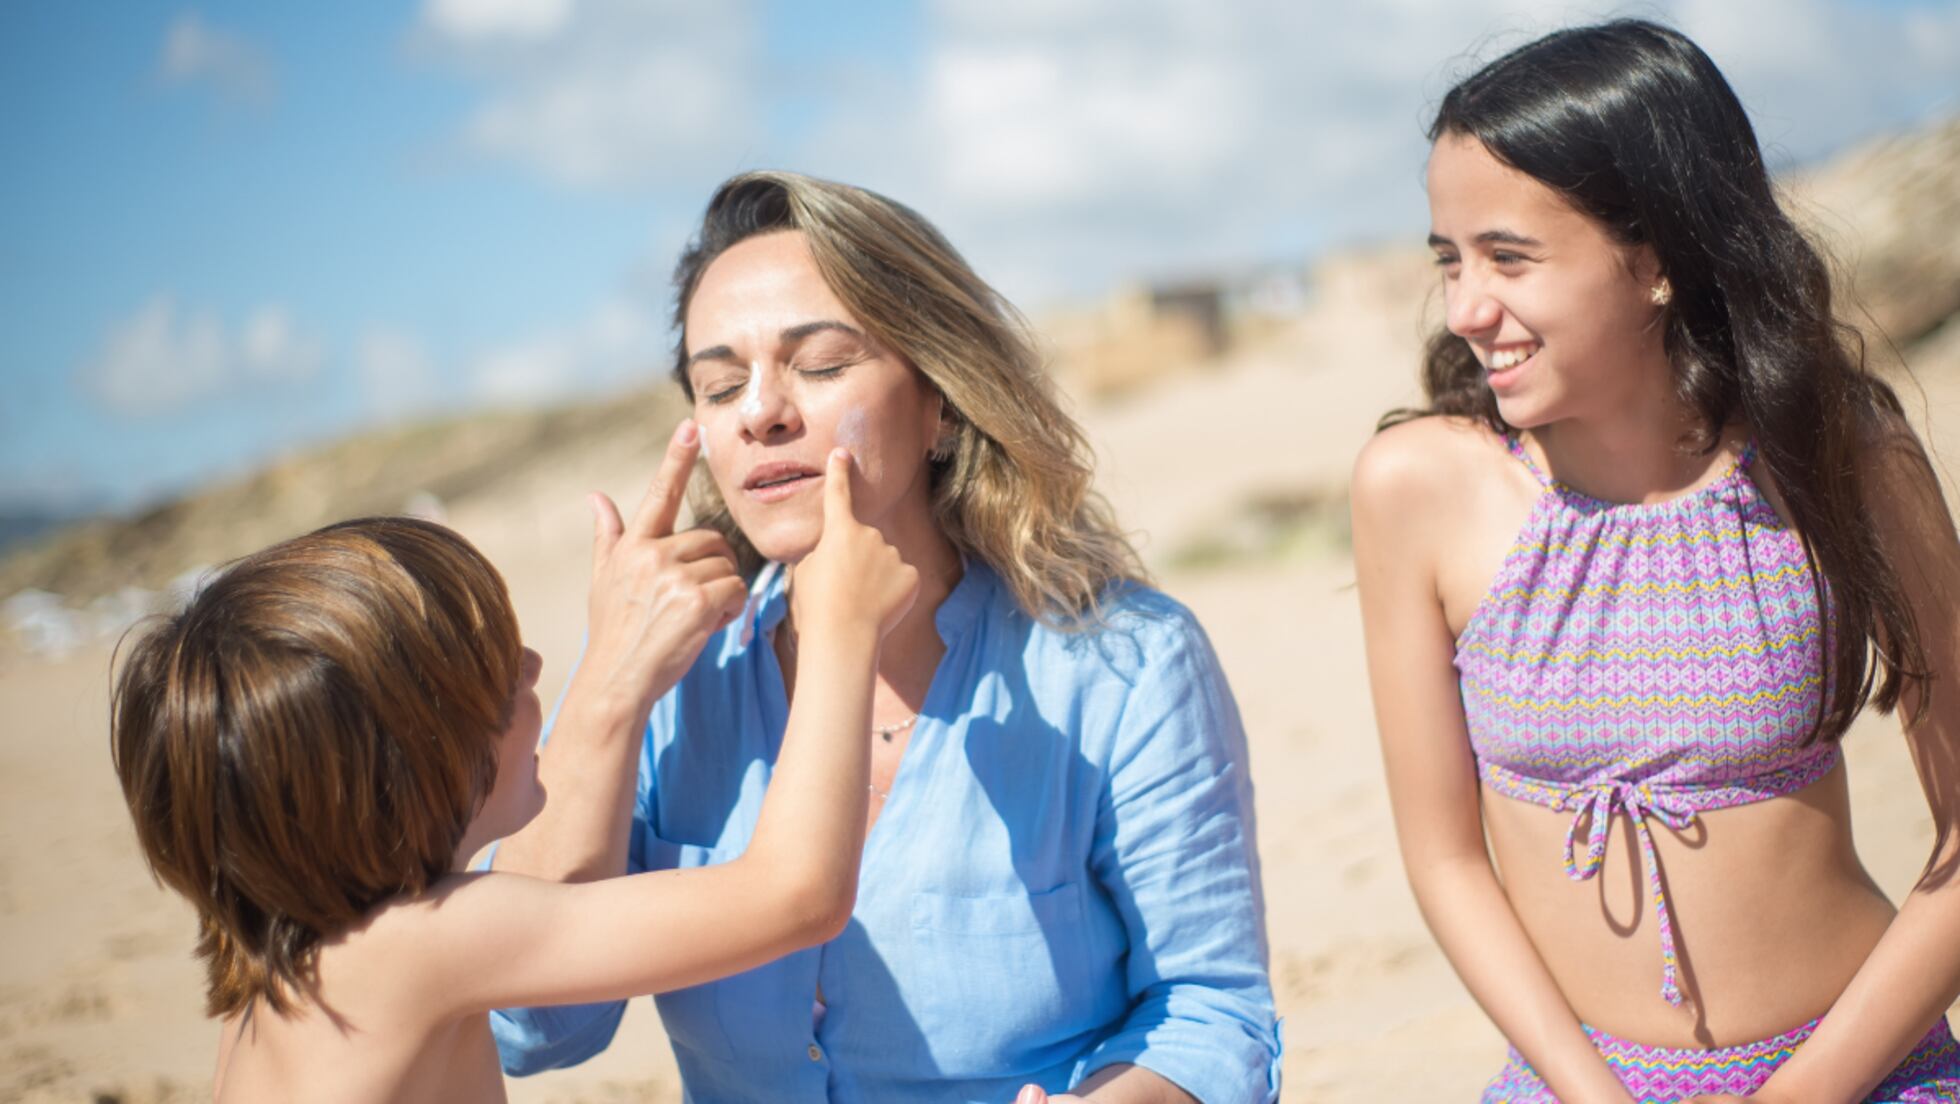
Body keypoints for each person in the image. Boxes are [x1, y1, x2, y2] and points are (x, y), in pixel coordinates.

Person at [490, 171, 1280, 1104]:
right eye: (719, 384)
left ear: (938, 398)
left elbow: (1213, 1012)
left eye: (819, 365)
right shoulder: (673, 680)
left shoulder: (1125, 665)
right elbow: (535, 1029)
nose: (761, 412)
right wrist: (608, 688)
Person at [1350, 19, 1960, 1104]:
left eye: (1508, 256)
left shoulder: (1845, 458)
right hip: (1576, 1084)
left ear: (1658, 259)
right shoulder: (1417, 489)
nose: (1465, 309)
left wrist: (1808, 1092)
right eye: (1449, 259)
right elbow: (1445, 861)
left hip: (1862, 1073)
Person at [108, 458, 917, 1101]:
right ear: (410, 769)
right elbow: (798, 895)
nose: (536, 666)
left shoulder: (286, 964)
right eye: (495, 678)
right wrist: (843, 628)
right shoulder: (426, 941)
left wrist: (622, 681)